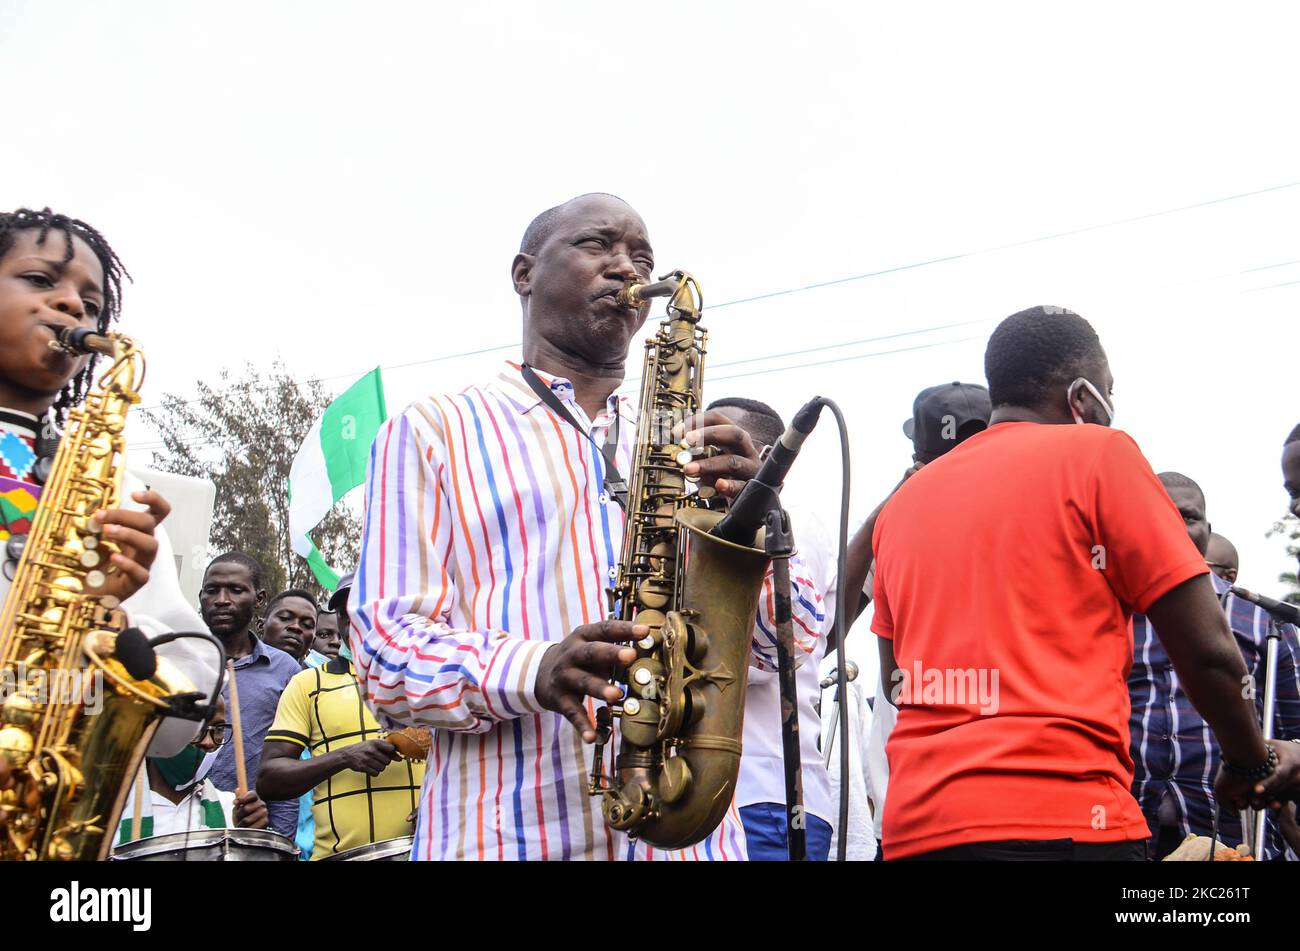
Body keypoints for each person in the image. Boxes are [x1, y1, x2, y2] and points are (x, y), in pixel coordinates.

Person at [348, 193, 824, 861]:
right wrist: (532, 666)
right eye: (598, 245)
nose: (625, 267)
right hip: (505, 839)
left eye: (642, 256)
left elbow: (793, 646)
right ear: (525, 272)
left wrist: (755, 523)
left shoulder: (692, 445)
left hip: (688, 841)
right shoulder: (431, 431)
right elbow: (381, 653)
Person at [871, 305, 1300, 861]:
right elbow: (1209, 650)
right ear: (1081, 397)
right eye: (1108, 393)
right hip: (1066, 821)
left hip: (916, 832)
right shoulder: (1100, 454)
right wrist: (1253, 764)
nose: (1111, 409)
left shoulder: (901, 507)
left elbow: (896, 681)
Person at [0, 207, 219, 759]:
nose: (73, 305)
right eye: (39, 279)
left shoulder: (113, 492)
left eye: (92, 304)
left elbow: (176, 725)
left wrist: (106, 621)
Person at [1129, 472, 1300, 858]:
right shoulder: (1109, 612)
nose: (1176, 528)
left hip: (1231, 833)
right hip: (1125, 826)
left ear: (1207, 529)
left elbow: (1294, 728)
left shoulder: (1263, 621)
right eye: (1162, 515)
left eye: (1188, 517)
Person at [853, 381, 992, 855]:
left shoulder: (899, 527)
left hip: (916, 800)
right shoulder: (1039, 510)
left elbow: (831, 625)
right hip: (1026, 800)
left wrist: (893, 501)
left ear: (918, 451)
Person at [709, 396, 835, 861]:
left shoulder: (799, 519)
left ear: (767, 458)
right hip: (713, 795)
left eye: (720, 442)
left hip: (766, 796)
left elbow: (772, 656)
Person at [258, 615, 426, 860]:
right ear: (340, 622)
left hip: (425, 851)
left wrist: (439, 807)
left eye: (369, 613)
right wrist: (344, 757)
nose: (361, 623)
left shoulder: (432, 680)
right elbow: (269, 779)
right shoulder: (307, 683)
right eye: (348, 615)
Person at [199, 552, 302, 837]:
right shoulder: (177, 659)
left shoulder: (286, 670)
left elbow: (285, 765)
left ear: (259, 599)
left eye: (235, 590)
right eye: (212, 590)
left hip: (252, 829)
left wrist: (278, 842)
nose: (221, 599)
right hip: (182, 827)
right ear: (201, 596)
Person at [115, 693, 269, 846]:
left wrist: (250, 839)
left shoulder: (232, 811)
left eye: (218, 729)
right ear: (157, 729)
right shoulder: (113, 814)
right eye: (196, 729)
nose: (209, 742)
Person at [260, 588, 319, 664]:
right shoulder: (240, 668)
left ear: (312, 641)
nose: (296, 627)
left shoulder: (314, 676)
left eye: (307, 625)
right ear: (261, 625)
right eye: (285, 618)